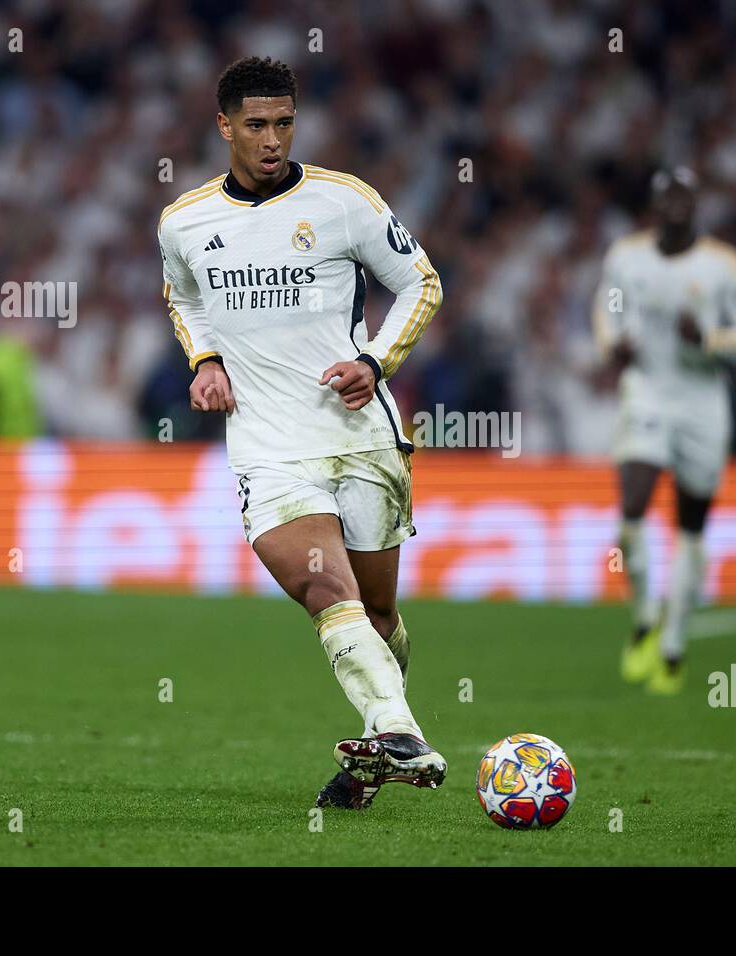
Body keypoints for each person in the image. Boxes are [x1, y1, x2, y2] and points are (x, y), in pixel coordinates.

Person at [156, 56, 444, 808]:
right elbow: (181, 297)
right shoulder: (185, 221)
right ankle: (396, 728)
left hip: (359, 435)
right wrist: (206, 358)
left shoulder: (344, 202)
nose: (272, 138)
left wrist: (375, 362)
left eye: (284, 122)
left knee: (376, 614)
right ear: (224, 126)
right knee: (324, 585)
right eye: (255, 124)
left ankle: (370, 762)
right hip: (270, 446)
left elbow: (422, 281)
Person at [593, 167, 736, 694]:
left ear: (696, 206)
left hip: (702, 403)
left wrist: (712, 338)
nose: (674, 205)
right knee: (632, 508)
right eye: (666, 195)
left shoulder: (725, 268)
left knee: (691, 526)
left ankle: (672, 645)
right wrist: (612, 345)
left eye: (684, 197)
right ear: (654, 204)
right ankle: (645, 616)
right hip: (646, 390)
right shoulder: (626, 257)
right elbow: (607, 312)